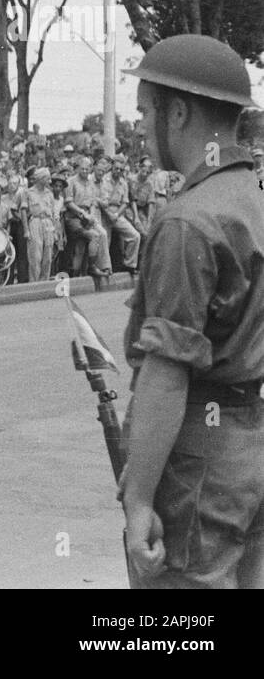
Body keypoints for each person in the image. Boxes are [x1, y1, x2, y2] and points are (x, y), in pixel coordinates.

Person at [119, 33, 264, 588]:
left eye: (144, 111)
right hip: (248, 446)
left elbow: (166, 375)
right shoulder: (250, 198)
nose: (138, 127)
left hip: (199, 457)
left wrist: (137, 504)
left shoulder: (189, 220)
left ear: (177, 112)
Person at [98, 155, 141, 275]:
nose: (118, 171)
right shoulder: (104, 180)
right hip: (104, 213)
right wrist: (110, 215)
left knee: (135, 236)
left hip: (118, 213)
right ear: (112, 167)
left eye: (121, 169)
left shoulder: (123, 183)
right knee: (105, 238)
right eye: (116, 168)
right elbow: (102, 202)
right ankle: (103, 268)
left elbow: (125, 202)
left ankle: (130, 265)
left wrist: (116, 214)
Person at [19, 167, 57, 282]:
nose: (49, 181)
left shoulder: (49, 193)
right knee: (35, 256)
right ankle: (34, 283)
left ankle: (44, 281)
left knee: (48, 257)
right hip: (35, 222)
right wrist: (26, 230)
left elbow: (53, 212)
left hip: (48, 223)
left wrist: (55, 230)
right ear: (40, 179)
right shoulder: (28, 192)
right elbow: (23, 211)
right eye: (47, 178)